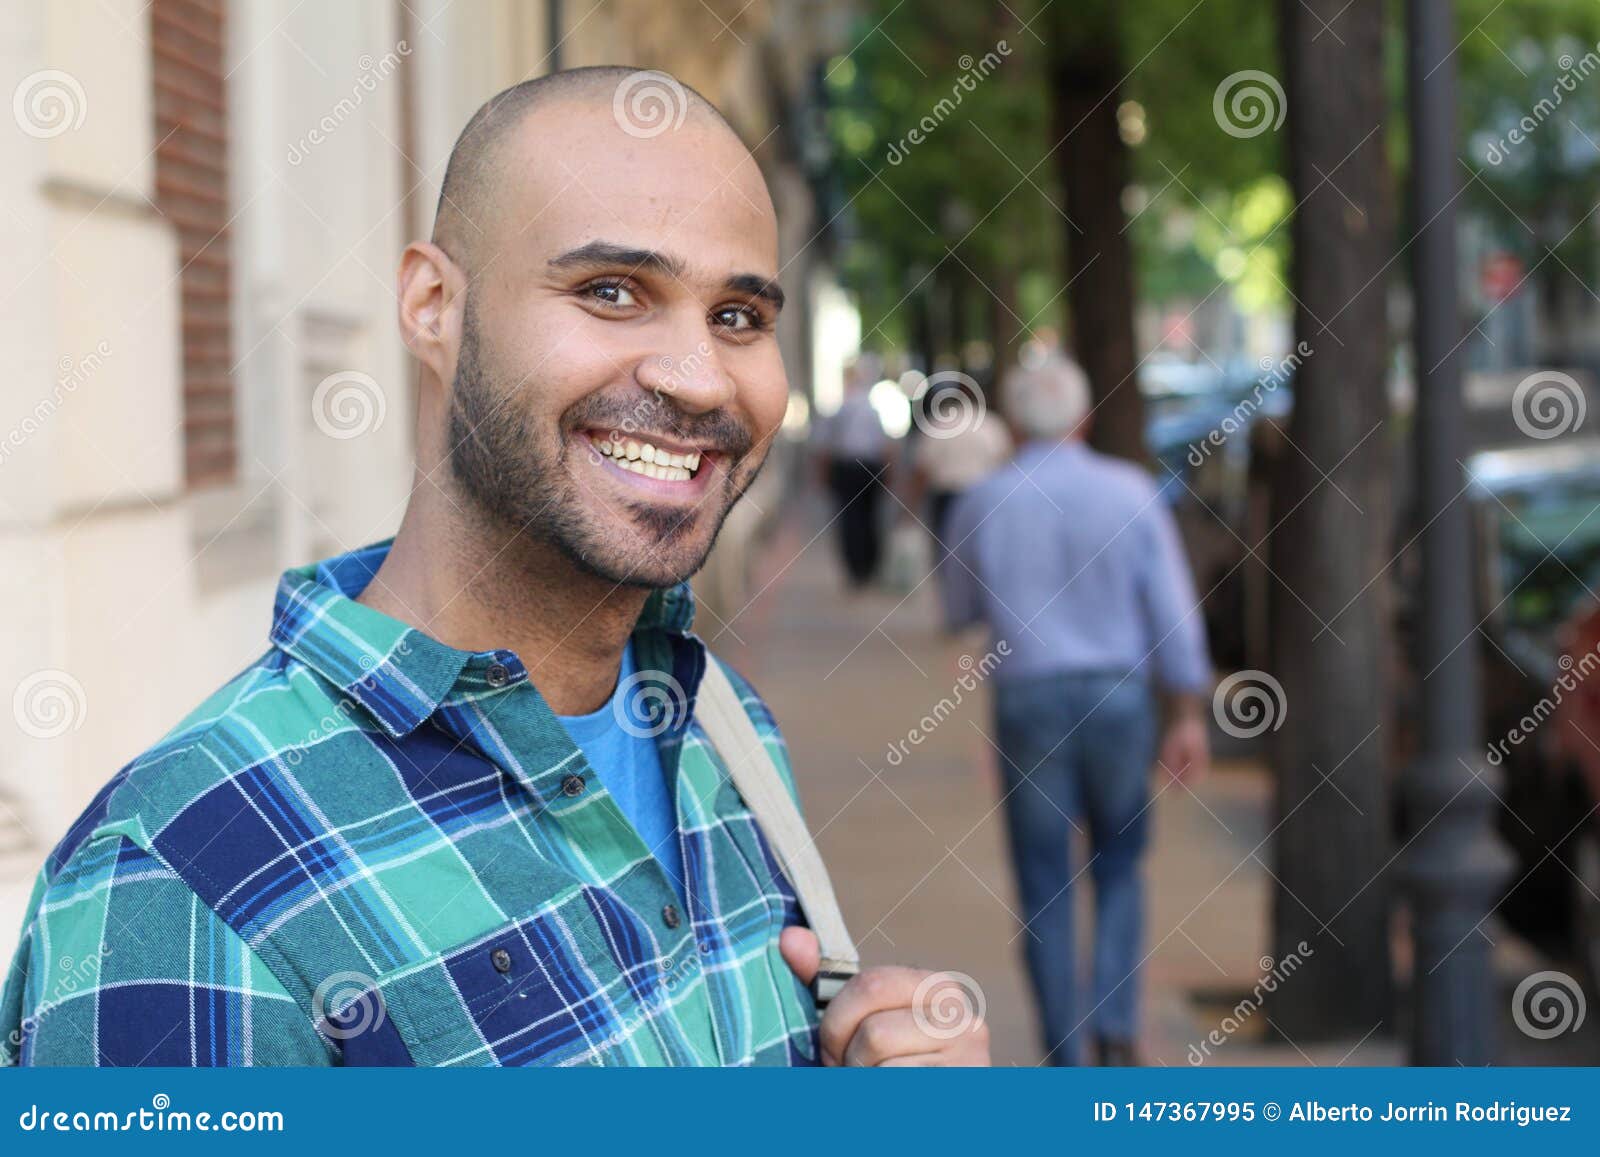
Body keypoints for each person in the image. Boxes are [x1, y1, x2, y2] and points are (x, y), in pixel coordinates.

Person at [0, 67, 988, 1069]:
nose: (697, 377)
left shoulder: (725, 728)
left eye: (737, 315)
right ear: (434, 304)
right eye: (611, 291)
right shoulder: (179, 885)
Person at [942, 353, 1211, 1067]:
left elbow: (958, 607)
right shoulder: (1132, 492)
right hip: (1120, 696)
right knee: (1120, 862)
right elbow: (1174, 616)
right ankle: (1117, 1025)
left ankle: (1065, 1051)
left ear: (1012, 423)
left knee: (1042, 878)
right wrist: (1186, 710)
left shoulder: (983, 500)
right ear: (1086, 419)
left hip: (1028, 698)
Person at [816, 358, 891, 588]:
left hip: (847, 468)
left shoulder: (840, 409)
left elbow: (824, 446)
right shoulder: (871, 409)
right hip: (870, 467)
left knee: (850, 519)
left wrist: (823, 474)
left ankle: (856, 568)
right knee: (870, 517)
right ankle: (869, 566)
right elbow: (885, 444)